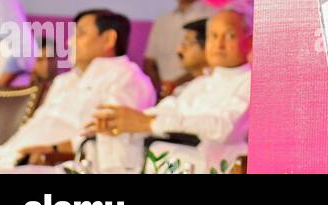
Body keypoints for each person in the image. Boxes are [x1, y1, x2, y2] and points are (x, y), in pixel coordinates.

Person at [0, 9, 153, 171]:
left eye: (80, 34)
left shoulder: (126, 79)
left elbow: (109, 139)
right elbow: (32, 130)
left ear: (108, 39)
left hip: (54, 164)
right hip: (9, 161)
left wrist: (53, 150)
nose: (69, 42)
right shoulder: (64, 81)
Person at [94, 9, 251, 172]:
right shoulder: (200, 84)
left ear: (250, 42)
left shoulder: (252, 84)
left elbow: (223, 128)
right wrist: (119, 120)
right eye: (213, 36)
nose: (219, 44)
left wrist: (151, 123)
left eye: (230, 36)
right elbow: (167, 109)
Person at [143, 0, 212, 94]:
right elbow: (149, 62)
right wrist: (160, 88)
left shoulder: (212, 17)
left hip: (198, 92)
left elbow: (209, 61)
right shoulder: (162, 21)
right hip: (162, 96)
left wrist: (175, 85)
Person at [160, 18, 208, 99]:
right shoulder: (184, 89)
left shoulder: (211, 91)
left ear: (208, 47)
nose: (179, 50)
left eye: (187, 42)